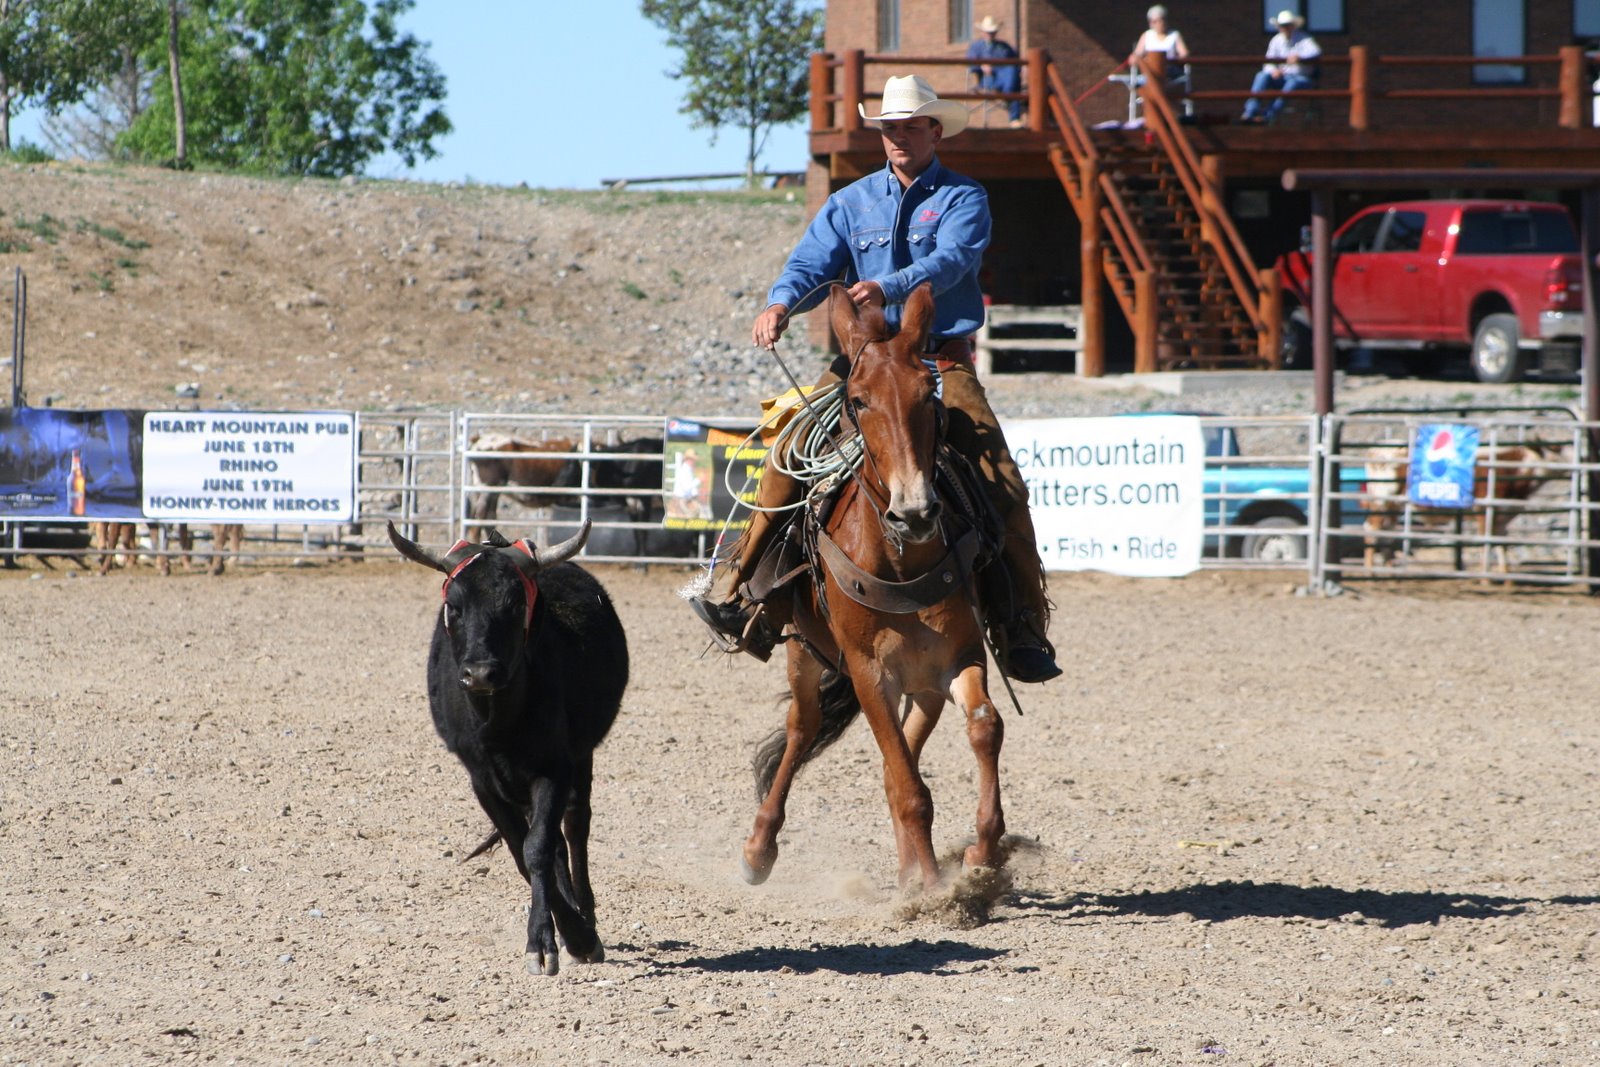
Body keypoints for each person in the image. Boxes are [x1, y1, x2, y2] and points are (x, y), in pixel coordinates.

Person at [689, 74, 1061, 684]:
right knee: (789, 446)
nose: (898, 138)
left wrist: (887, 286)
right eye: (889, 128)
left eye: (911, 127)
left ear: (935, 131)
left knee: (1001, 478)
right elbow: (811, 265)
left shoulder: (965, 199)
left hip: (938, 361)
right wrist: (781, 303)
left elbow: (952, 260)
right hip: (862, 362)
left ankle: (1021, 624)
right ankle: (742, 591)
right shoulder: (850, 202)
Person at [1241, 10, 1321, 124]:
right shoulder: (1276, 40)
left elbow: (1316, 52)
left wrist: (1300, 57)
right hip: (1283, 78)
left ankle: (1268, 115)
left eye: (1287, 25)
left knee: (1292, 82)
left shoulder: (1305, 39)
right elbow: (1268, 62)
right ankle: (1250, 111)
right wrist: (1274, 71)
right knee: (1261, 75)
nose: (1284, 28)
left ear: (1293, 25)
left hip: (1302, 79)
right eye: (1282, 26)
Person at [967, 15, 1024, 126]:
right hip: (987, 79)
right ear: (983, 32)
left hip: (1005, 77)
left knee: (1012, 71)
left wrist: (1023, 68)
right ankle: (1014, 116)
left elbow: (1016, 61)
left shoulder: (1004, 46)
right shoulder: (976, 46)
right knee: (1014, 85)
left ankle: (1009, 95)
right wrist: (981, 66)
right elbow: (971, 64)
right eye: (988, 32)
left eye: (993, 32)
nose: (990, 34)